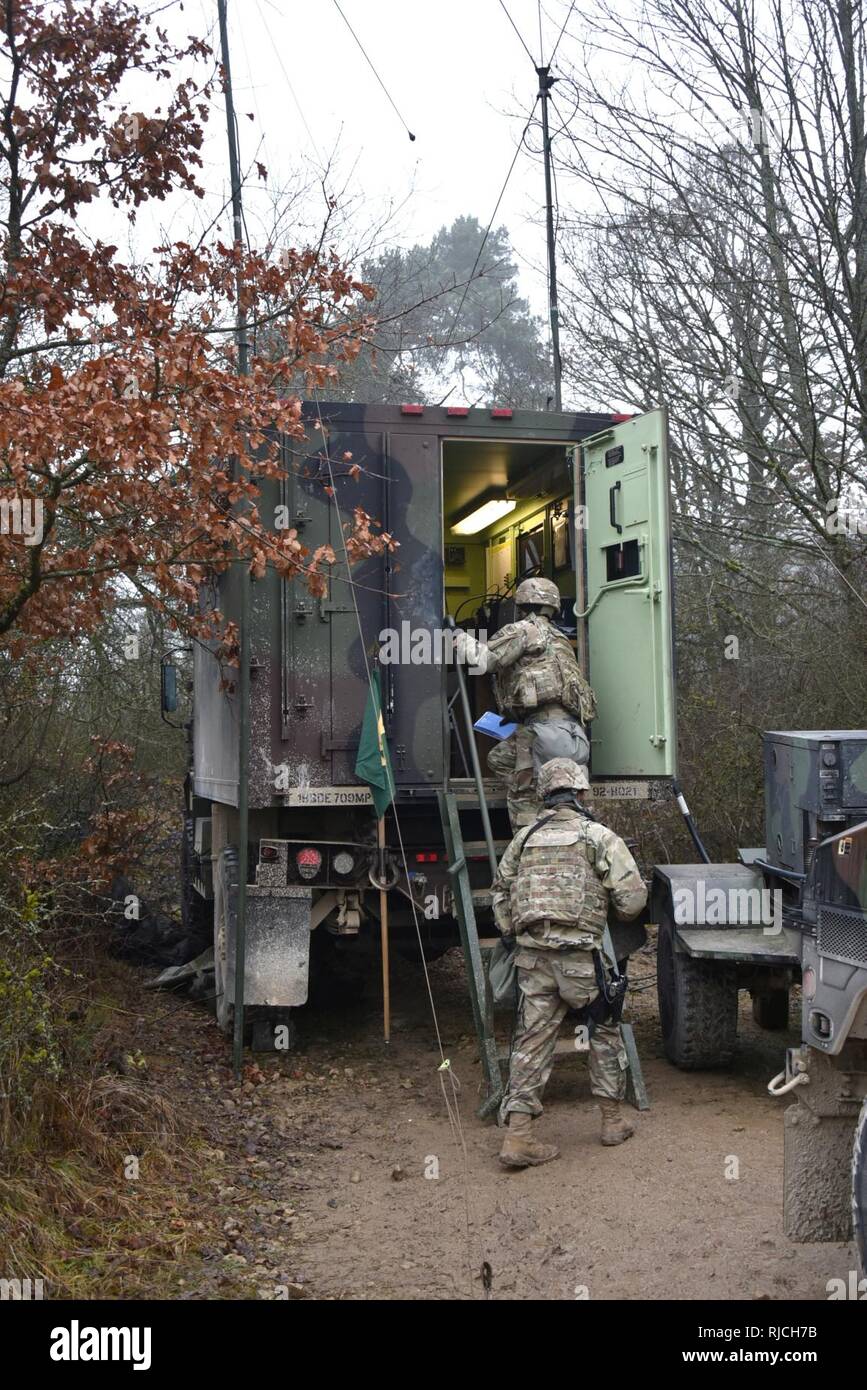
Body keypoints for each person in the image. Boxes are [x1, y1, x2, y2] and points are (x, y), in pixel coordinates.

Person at [491, 757, 648, 1168]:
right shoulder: (598, 836)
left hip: (533, 960)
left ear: (544, 796)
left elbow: (501, 894)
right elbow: (632, 902)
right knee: (604, 1031)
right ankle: (611, 1122)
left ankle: (518, 1136)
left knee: (532, 1041)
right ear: (580, 793)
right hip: (582, 961)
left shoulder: (523, 839)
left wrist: (517, 931)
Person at [454, 577, 596, 831]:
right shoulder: (561, 639)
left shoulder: (523, 630)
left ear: (521, 604)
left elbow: (486, 661)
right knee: (500, 757)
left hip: (543, 734)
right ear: (553, 607)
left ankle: (532, 821)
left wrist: (458, 637)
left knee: (521, 792)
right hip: (573, 735)